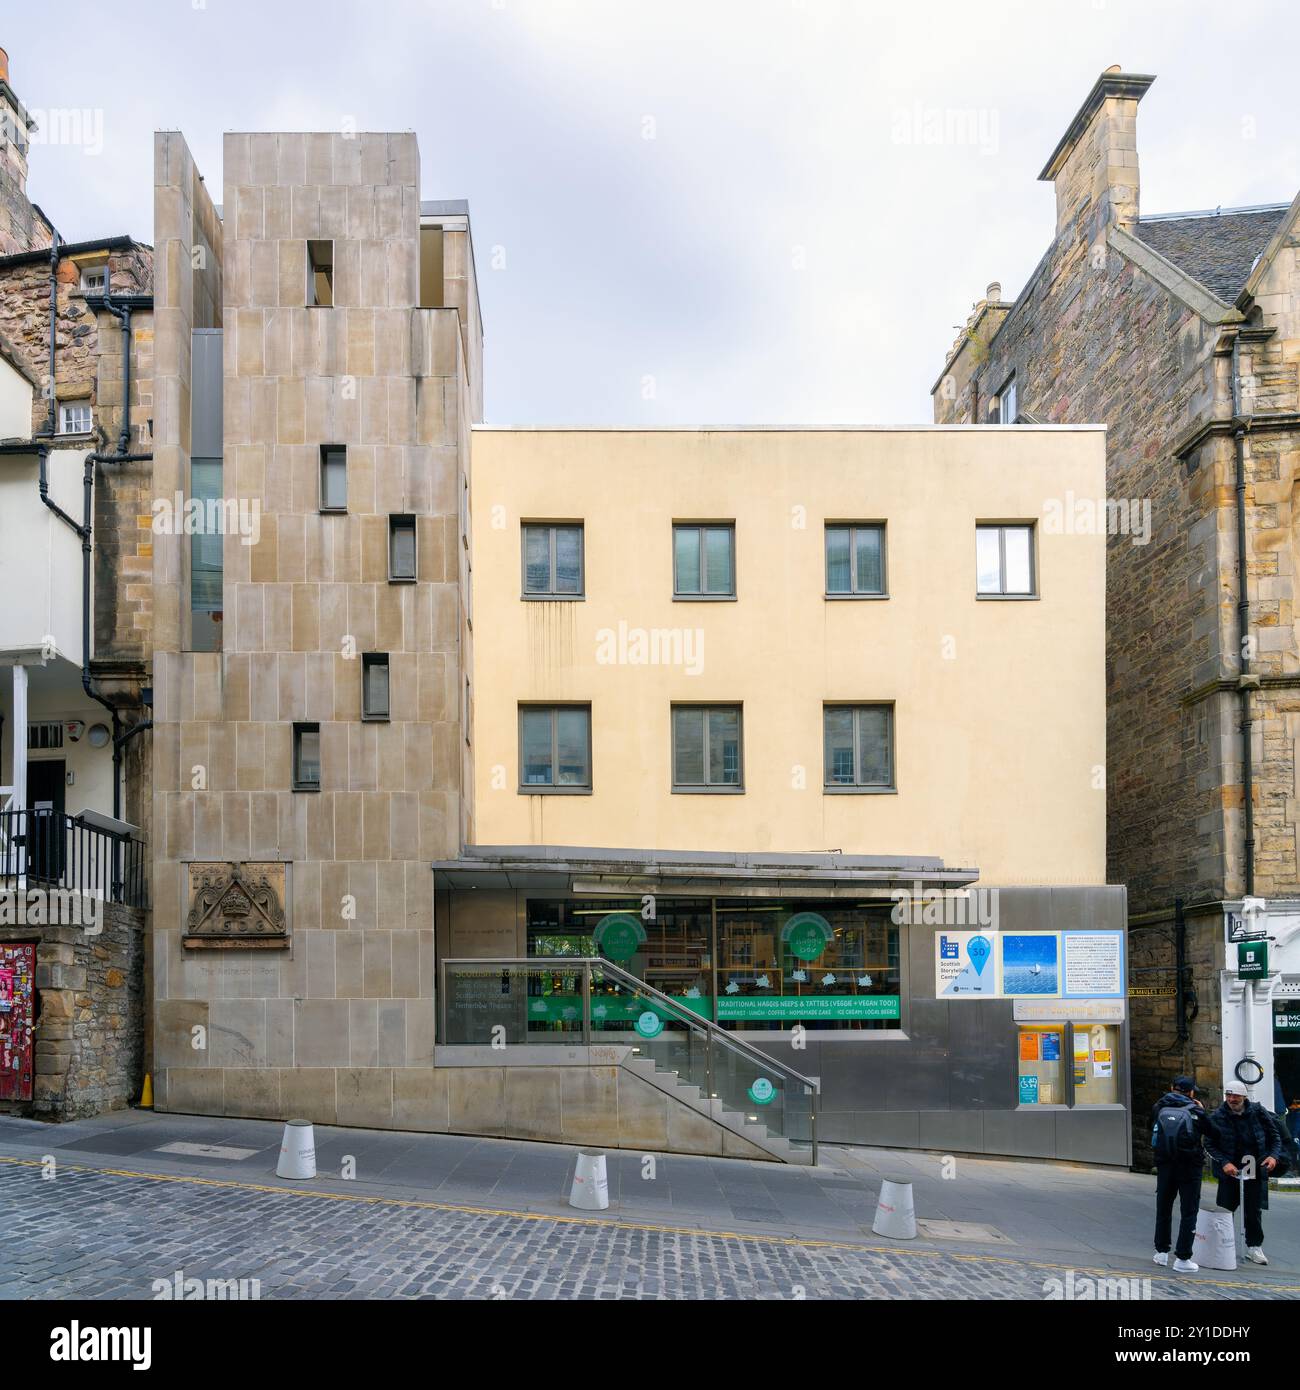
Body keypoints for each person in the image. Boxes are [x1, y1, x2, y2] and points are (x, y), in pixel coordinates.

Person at [1203, 1080, 1285, 1265]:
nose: (1232, 1099)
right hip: (1229, 1168)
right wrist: (1224, 1162)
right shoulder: (1217, 1116)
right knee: (1225, 1209)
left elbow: (1275, 1136)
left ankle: (1254, 1247)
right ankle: (1223, 1247)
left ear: (1244, 1097)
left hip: (1253, 1165)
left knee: (1253, 1209)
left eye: (1236, 1096)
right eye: (1229, 1095)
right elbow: (1208, 1144)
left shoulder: (1258, 1111)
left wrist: (1273, 1156)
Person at [1150, 1075, 1206, 1273]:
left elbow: (1153, 1129)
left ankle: (1161, 1252)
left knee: (1163, 1207)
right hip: (1190, 1166)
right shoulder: (1195, 1110)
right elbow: (1214, 1132)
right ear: (1191, 1092)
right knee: (1189, 1211)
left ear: (1171, 1087)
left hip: (1165, 1165)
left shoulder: (1159, 1107)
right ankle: (1182, 1258)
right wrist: (1202, 1111)